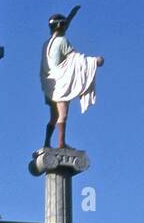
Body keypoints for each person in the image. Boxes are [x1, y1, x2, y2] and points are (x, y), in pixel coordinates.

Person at [40, 9, 103, 150]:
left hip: (49, 84)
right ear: (60, 26)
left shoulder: (46, 44)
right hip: (61, 84)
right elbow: (76, 59)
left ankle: (46, 143)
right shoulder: (62, 41)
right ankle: (61, 143)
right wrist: (95, 61)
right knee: (62, 115)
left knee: (53, 116)